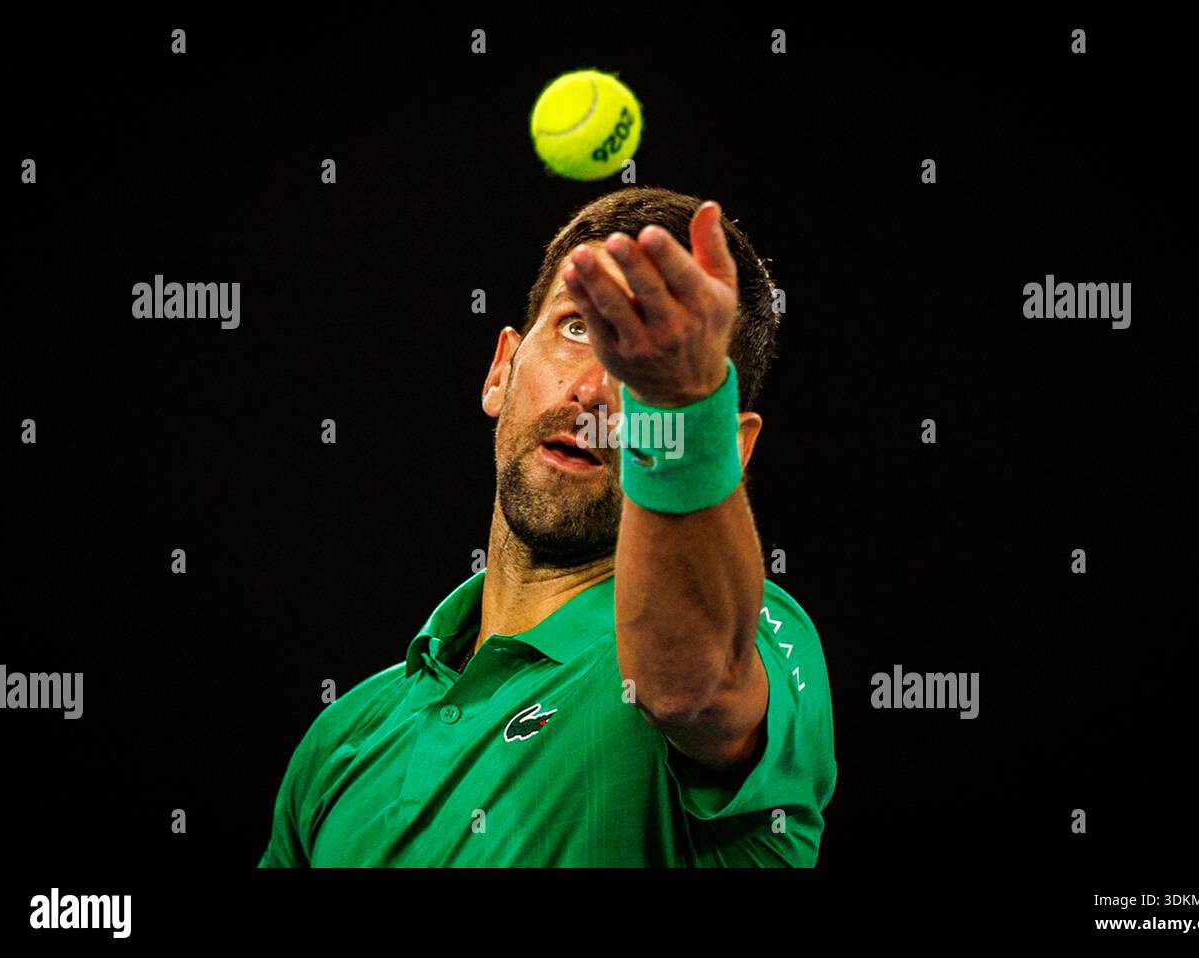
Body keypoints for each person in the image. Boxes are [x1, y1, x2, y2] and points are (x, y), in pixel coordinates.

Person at [258, 186, 836, 867]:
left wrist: (674, 407)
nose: (596, 390)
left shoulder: (751, 631)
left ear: (725, 448)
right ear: (502, 367)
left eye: (647, 360)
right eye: (577, 328)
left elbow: (690, 692)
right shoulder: (343, 737)